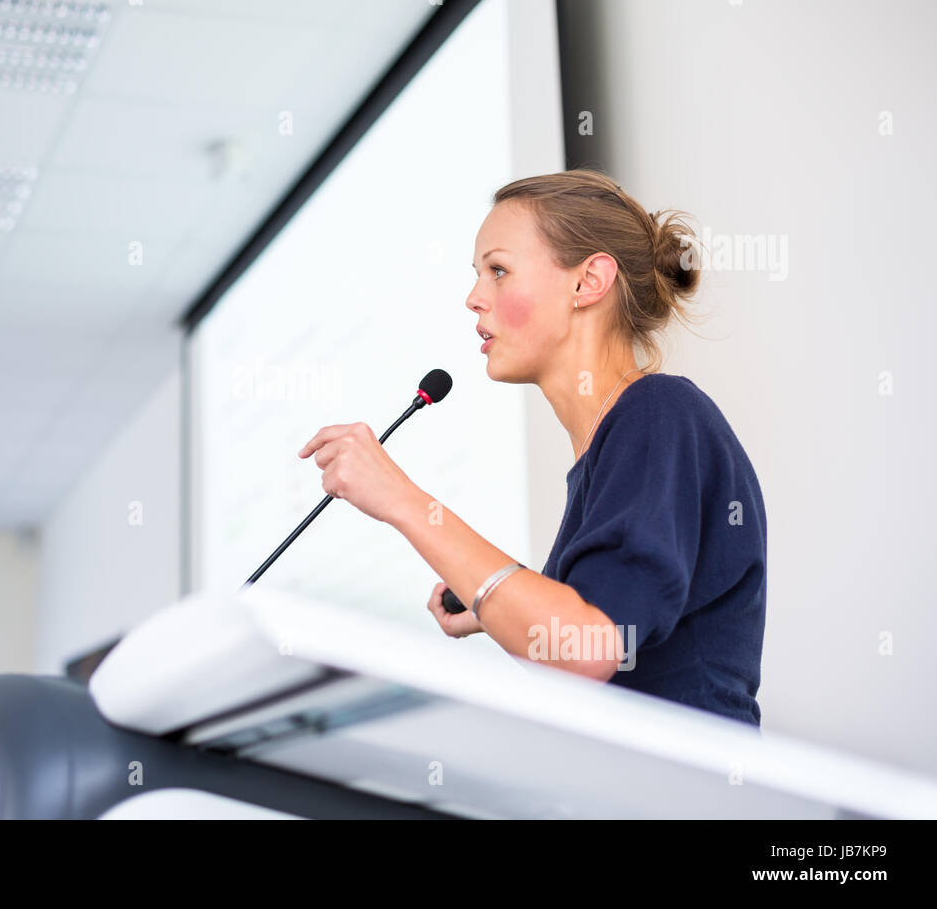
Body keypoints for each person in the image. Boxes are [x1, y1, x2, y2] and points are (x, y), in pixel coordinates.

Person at [297, 169, 766, 727]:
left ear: (588, 281)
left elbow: (582, 649)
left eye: (499, 270)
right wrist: (496, 604)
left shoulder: (658, 412)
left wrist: (398, 497)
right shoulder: (613, 446)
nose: (474, 299)